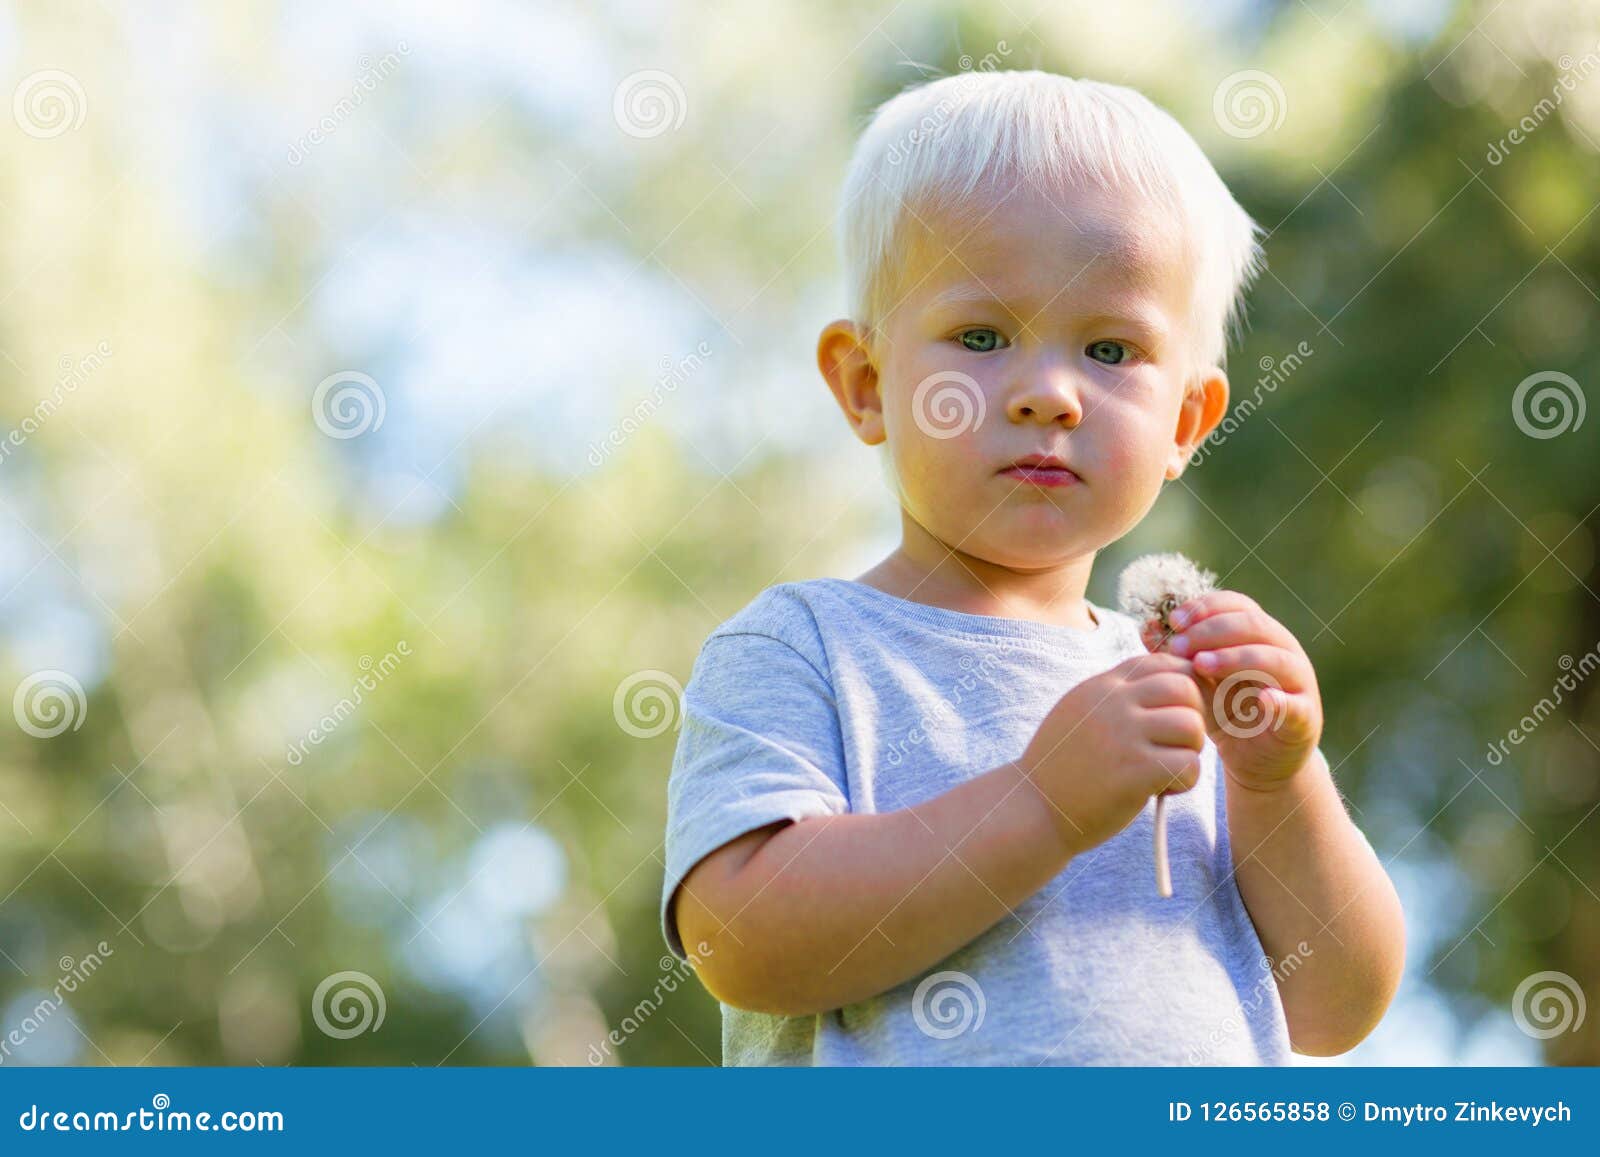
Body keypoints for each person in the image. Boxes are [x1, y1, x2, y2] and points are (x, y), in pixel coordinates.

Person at [658, 69, 1404, 1065]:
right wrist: (1040, 803)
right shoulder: (803, 647)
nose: (1050, 393)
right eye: (981, 336)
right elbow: (739, 939)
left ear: (1187, 421)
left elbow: (1336, 1007)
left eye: (1110, 349)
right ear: (866, 382)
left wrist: (1281, 781)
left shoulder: (1192, 690)